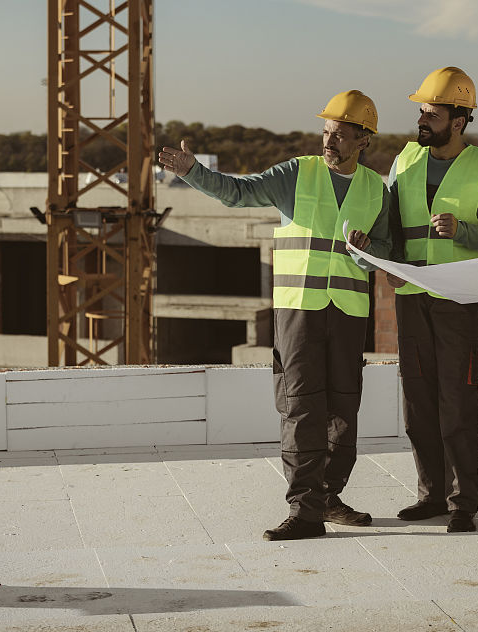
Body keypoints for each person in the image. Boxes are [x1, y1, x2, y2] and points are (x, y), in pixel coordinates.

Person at [157, 90, 392, 542]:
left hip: (347, 313)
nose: (330, 141)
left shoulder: (375, 188)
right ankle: (305, 510)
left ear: (363, 141)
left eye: (341, 135)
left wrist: (369, 251)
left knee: (344, 408)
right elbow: (238, 192)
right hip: (299, 311)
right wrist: (192, 172)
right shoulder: (296, 174)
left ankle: (328, 496)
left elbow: (384, 252)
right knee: (302, 406)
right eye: (326, 132)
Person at [385, 66, 478, 533]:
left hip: (459, 299)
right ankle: (432, 496)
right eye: (421, 111)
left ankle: (463, 502)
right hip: (411, 296)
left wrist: (464, 231)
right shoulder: (404, 160)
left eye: (432, 113)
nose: (422, 120)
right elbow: (390, 225)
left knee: (458, 402)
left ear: (459, 120)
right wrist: (376, 255)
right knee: (418, 402)